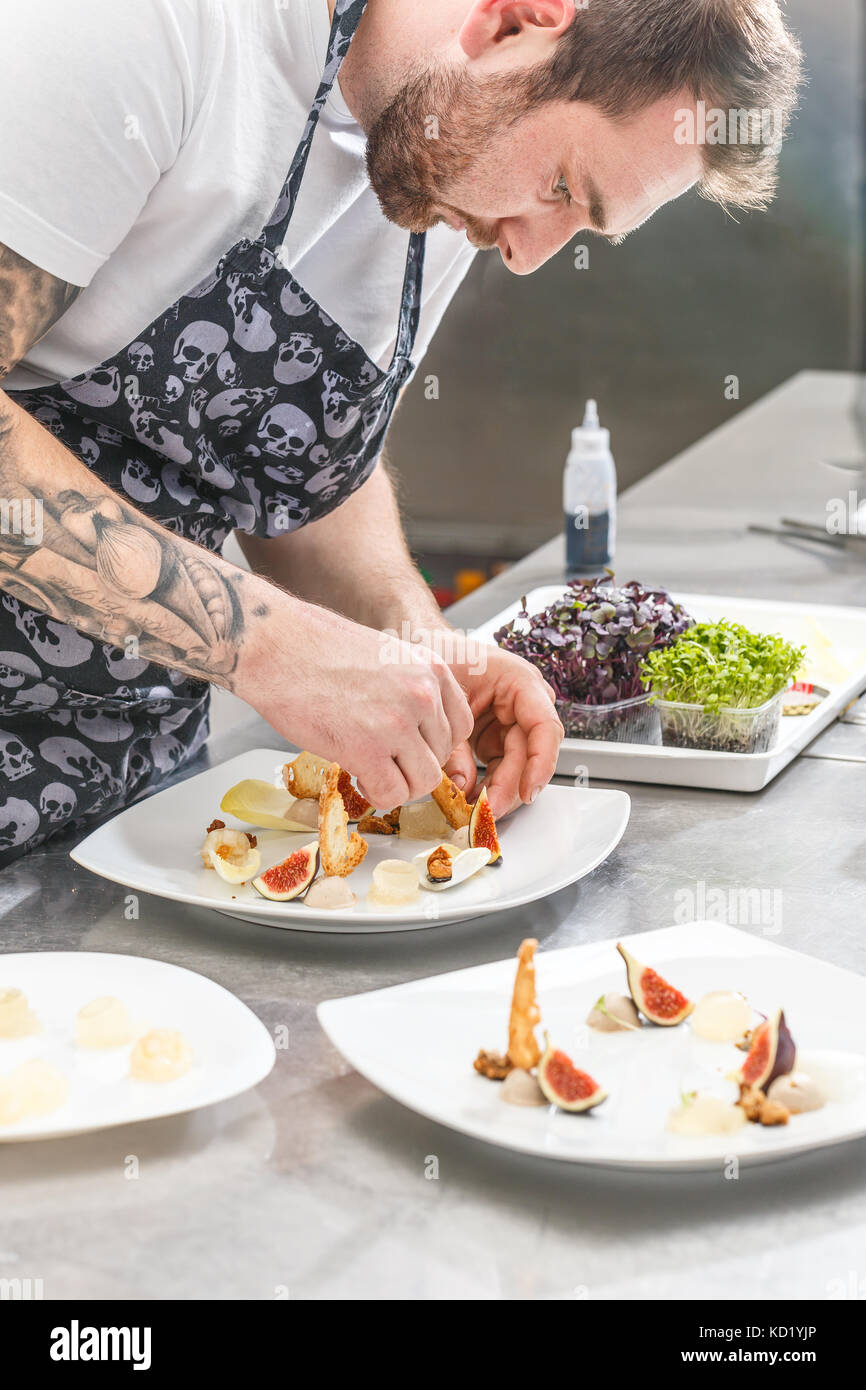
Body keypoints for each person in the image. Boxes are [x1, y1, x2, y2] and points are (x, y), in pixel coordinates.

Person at [0, 0, 803, 864]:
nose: (531, 253)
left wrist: (418, 647)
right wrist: (272, 647)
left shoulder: (445, 161)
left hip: (125, 817)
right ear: (513, 21)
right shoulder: (160, 27)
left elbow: (291, 473)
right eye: (566, 186)